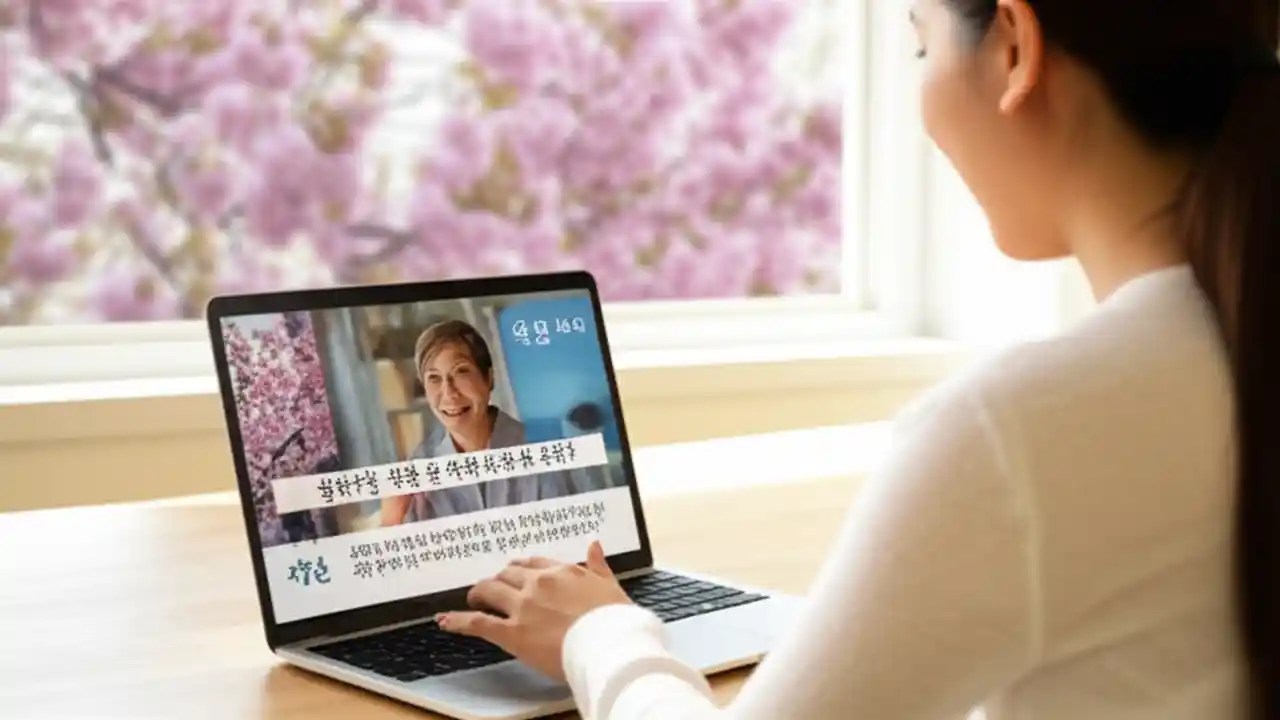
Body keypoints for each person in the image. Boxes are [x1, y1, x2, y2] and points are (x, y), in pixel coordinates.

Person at [434, 1, 1280, 718]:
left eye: (920, 44)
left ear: (1015, 49)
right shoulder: (1225, 346)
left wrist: (599, 634)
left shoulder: (1024, 428)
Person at [380, 320, 575, 525]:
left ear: (488, 378)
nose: (449, 393)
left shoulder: (547, 451)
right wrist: (390, 521)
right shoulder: (417, 474)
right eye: (434, 378)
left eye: (461, 372)